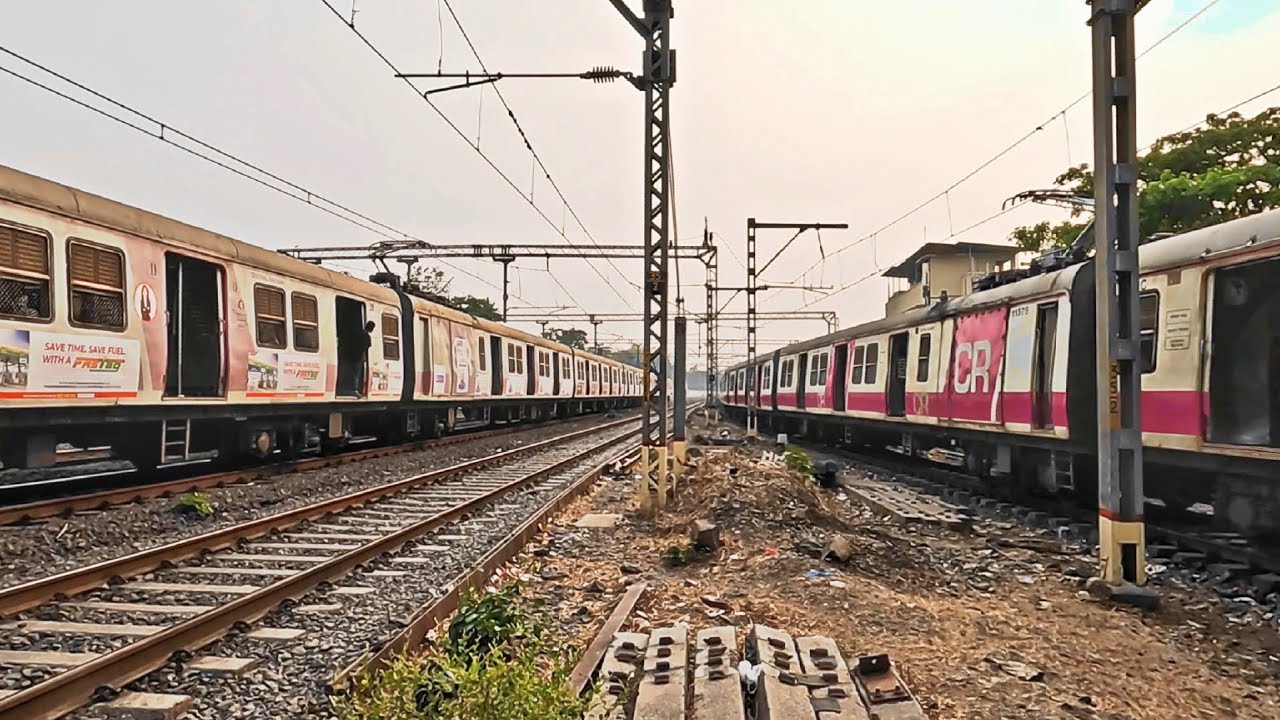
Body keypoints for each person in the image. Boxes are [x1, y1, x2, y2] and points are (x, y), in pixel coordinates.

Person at [355, 320, 374, 397]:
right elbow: (368, 345)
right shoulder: (366, 336)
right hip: (361, 356)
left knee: (356, 373)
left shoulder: (359, 334)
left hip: (357, 355)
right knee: (358, 373)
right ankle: (357, 390)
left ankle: (357, 389)